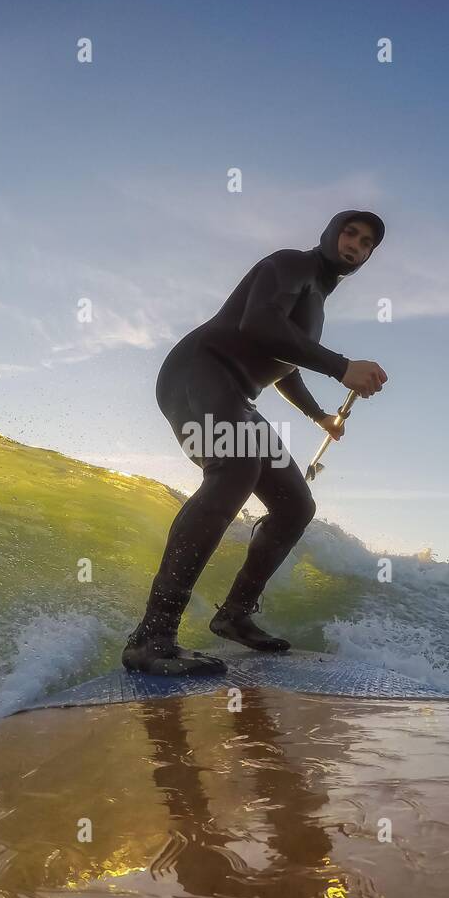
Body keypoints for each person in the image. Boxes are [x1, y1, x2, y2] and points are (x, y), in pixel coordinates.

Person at [122, 209, 389, 676]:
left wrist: (320, 416)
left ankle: (235, 614)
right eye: (350, 232)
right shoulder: (290, 265)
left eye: (366, 243)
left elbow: (282, 360)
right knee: (235, 468)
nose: (356, 245)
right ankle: (153, 635)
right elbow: (259, 326)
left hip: (237, 396)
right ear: (328, 233)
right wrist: (342, 365)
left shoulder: (315, 301)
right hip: (198, 372)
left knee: (295, 505)